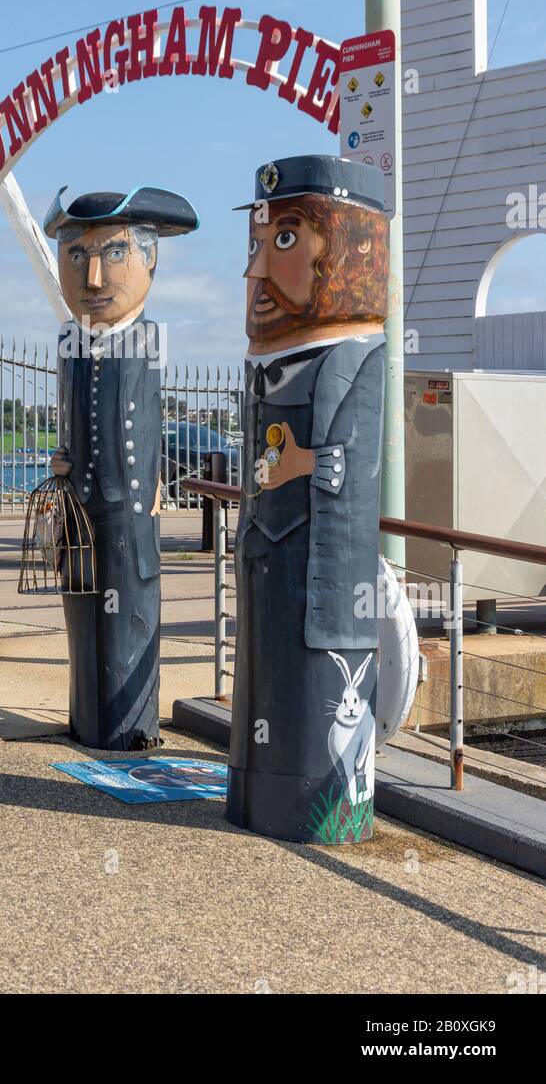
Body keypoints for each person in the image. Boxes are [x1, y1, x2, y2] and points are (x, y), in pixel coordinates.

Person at [226, 155, 388, 844]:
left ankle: (312, 811)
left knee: (308, 702)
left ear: (348, 248)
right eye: (254, 244)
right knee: (260, 688)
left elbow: (358, 463)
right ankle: (252, 796)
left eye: (284, 240)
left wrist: (304, 463)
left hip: (320, 577)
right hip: (266, 559)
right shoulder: (262, 362)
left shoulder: (354, 358)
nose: (254, 271)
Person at [42, 185, 199, 750]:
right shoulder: (67, 343)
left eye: (113, 254)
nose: (93, 280)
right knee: (81, 614)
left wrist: (147, 485)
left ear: (149, 259)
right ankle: (88, 717)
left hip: (129, 509)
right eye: (76, 256)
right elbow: (70, 418)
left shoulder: (144, 340)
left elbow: (141, 427)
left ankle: (129, 726)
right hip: (76, 506)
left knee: (129, 609)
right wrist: (63, 459)